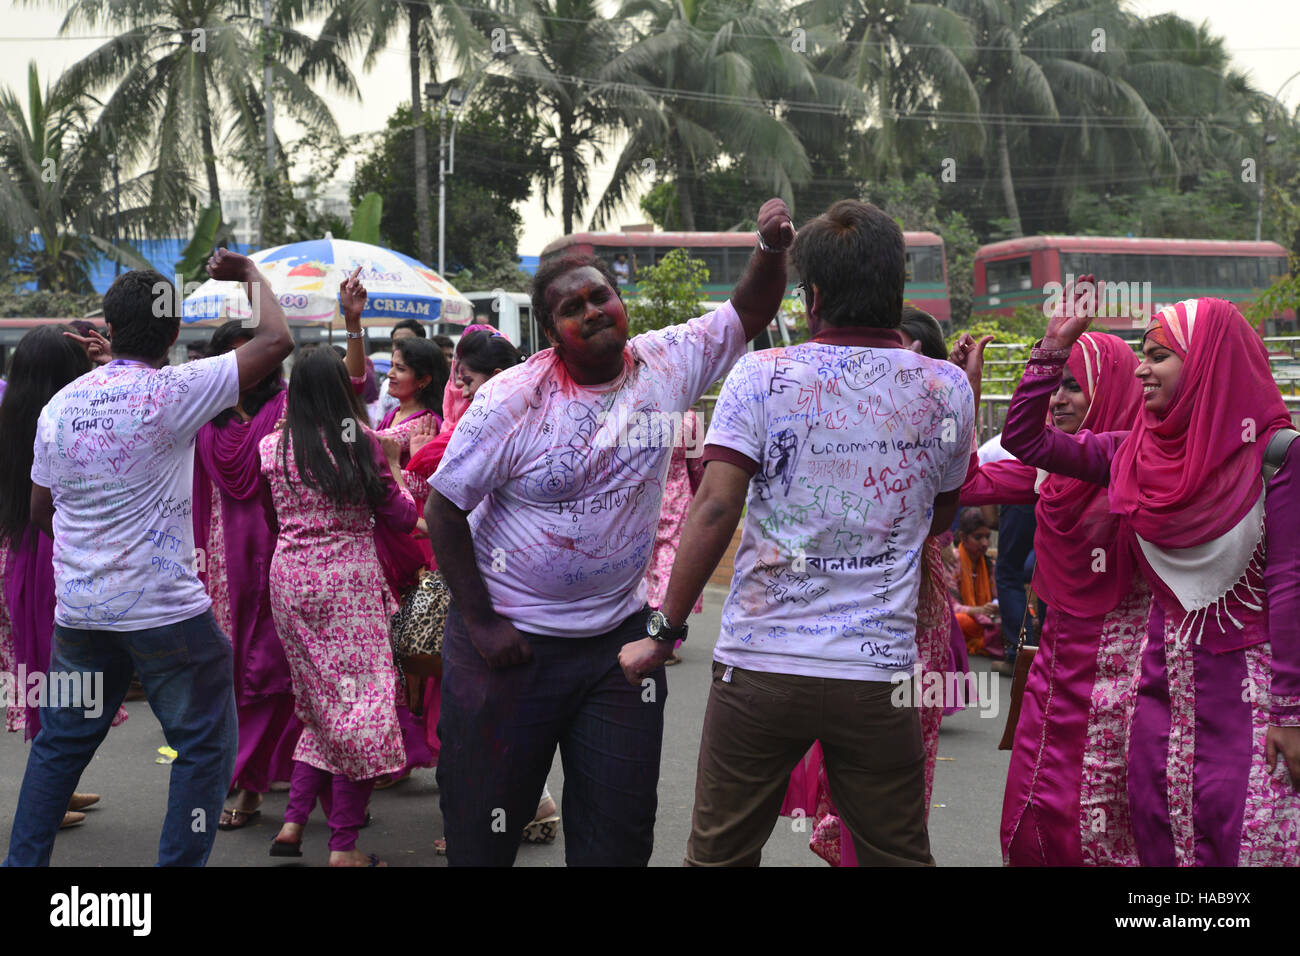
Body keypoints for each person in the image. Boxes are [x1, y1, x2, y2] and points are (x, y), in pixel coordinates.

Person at [426, 197, 795, 867]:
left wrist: (769, 249)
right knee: (482, 836)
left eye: (601, 297)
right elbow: (443, 508)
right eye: (574, 307)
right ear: (551, 330)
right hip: (508, 648)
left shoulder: (666, 363)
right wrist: (480, 624)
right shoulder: (511, 399)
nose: (594, 310)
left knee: (617, 838)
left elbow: (749, 310)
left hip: (617, 653)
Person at [652, 199, 975, 867]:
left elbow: (714, 509)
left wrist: (663, 630)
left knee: (720, 855)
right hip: (879, 672)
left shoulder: (763, 375)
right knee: (898, 855)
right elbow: (941, 516)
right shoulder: (948, 387)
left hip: (762, 665)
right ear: (896, 291)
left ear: (815, 296)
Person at [4, 251, 294, 867]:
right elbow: (277, 339)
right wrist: (247, 275)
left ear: (108, 328)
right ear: (171, 333)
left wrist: (94, 550)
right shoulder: (175, 391)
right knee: (202, 747)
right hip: (167, 615)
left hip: (80, 615)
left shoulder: (60, 407)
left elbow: (39, 512)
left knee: (58, 748)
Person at [1002, 285, 1300, 867]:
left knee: (1251, 846)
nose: (1140, 371)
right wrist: (1053, 351)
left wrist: (1291, 714)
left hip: (1253, 697)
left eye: (1158, 356)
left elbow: (1290, 584)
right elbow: (1026, 440)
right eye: (1140, 355)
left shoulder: (1277, 455)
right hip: (1161, 696)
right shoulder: (1133, 452)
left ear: (1206, 361)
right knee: (1164, 841)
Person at [777, 304, 976, 867]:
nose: (901, 364)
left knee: (907, 748)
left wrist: (965, 387)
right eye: (895, 351)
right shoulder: (838, 419)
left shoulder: (937, 416)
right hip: (841, 609)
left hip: (918, 609)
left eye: (916, 354)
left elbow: (962, 483)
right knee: (843, 740)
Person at [958, 321, 1147, 866]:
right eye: (1053, 385)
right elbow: (967, 483)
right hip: (1054, 665)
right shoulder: (1049, 476)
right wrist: (968, 394)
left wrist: (1049, 353)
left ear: (1109, 387)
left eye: (1071, 386)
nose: (1057, 399)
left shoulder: (1137, 462)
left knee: (1105, 816)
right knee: (1033, 808)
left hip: (1124, 671)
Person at [260, 346, 416, 867]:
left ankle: (293, 821)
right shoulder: (360, 444)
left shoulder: (271, 449)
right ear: (341, 389)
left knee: (320, 708)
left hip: (289, 581)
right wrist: (394, 466)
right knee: (361, 711)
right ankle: (343, 847)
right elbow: (398, 516)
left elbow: (272, 518)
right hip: (345, 586)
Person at [0, 326, 126, 832]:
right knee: (63, 680)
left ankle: (59, 784)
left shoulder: (11, 420)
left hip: (15, 556)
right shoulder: (65, 422)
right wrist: (112, 361)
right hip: (54, 553)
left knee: (41, 674)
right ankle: (48, 795)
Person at [193, 320, 302, 831]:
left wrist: (351, 326)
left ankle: (256, 784)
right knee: (230, 672)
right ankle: (267, 775)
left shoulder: (288, 410)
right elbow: (191, 492)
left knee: (276, 670)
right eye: (238, 359)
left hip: (279, 547)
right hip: (218, 556)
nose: (248, 369)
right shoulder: (204, 414)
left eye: (255, 358)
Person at [642, 408, 705, 666]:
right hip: (678, 499)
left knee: (649, 567)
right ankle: (665, 636)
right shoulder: (689, 420)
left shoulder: (639, 418)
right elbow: (699, 466)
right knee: (672, 567)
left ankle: (647, 630)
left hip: (646, 499)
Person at [952, 508, 1002, 658]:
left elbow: (997, 597)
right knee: (957, 621)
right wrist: (978, 610)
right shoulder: (952, 561)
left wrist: (995, 607)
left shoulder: (988, 564)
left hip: (983, 620)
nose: (985, 543)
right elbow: (949, 606)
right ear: (963, 537)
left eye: (987, 536)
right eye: (978, 537)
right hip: (965, 618)